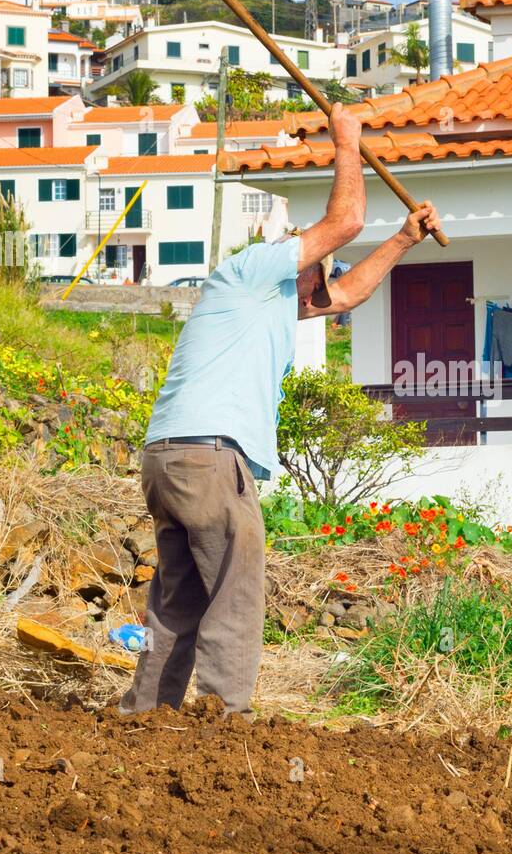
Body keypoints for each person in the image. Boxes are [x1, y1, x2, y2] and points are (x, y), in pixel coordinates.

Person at [119, 104, 442, 719]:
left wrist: (404, 238)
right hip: (211, 457)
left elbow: (350, 292)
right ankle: (224, 715)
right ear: (295, 264)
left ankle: (145, 711)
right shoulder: (251, 270)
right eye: (315, 272)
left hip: (168, 460)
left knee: (179, 598)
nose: (320, 289)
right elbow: (345, 219)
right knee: (235, 591)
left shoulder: (258, 305)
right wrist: (346, 142)